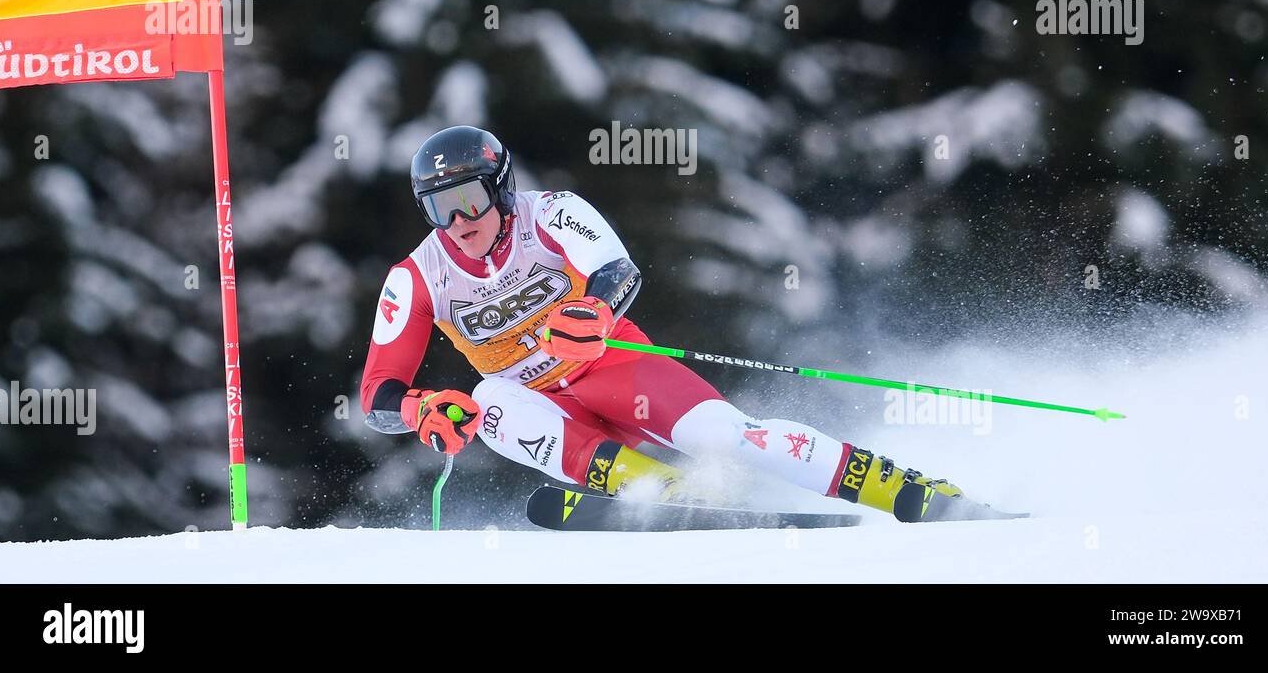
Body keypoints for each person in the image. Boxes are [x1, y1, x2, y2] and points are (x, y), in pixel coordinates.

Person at [360, 124, 989, 522]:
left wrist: (595, 311)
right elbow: (378, 393)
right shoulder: (417, 276)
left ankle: (904, 490)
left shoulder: (550, 212)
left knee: (727, 437)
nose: (460, 220)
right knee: (488, 400)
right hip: (538, 403)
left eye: (471, 199)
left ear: (499, 190)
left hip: (612, 367)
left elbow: (617, 270)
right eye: (441, 209)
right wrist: (421, 409)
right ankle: (658, 491)